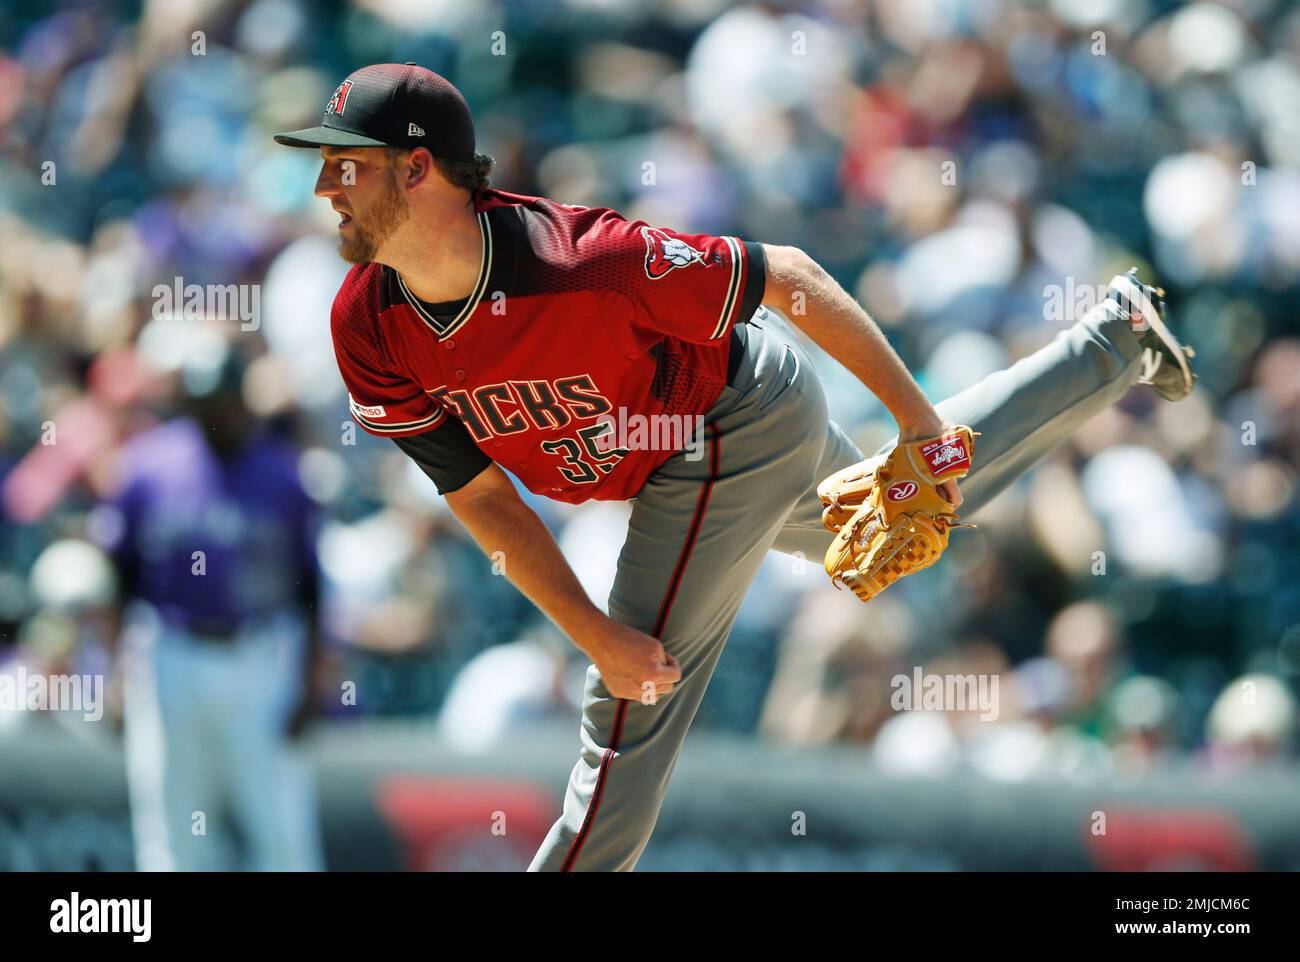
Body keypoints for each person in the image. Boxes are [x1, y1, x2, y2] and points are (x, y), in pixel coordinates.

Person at [274, 63, 1197, 871]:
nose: (324, 187)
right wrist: (589, 628)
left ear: (419, 168)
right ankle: (1112, 340)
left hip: (724, 421)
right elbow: (481, 497)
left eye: (343, 163)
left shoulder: (581, 259)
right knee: (879, 529)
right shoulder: (365, 325)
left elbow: (788, 275)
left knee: (631, 718)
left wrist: (916, 419)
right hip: (686, 450)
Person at [99, 345, 326, 871]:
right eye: (205, 401)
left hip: (261, 654)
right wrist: (113, 669)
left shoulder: (283, 476)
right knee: (174, 830)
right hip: (170, 651)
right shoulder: (147, 468)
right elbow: (118, 577)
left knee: (282, 831)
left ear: (242, 399)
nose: (216, 412)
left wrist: (312, 678)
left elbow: (310, 589)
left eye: (224, 400)